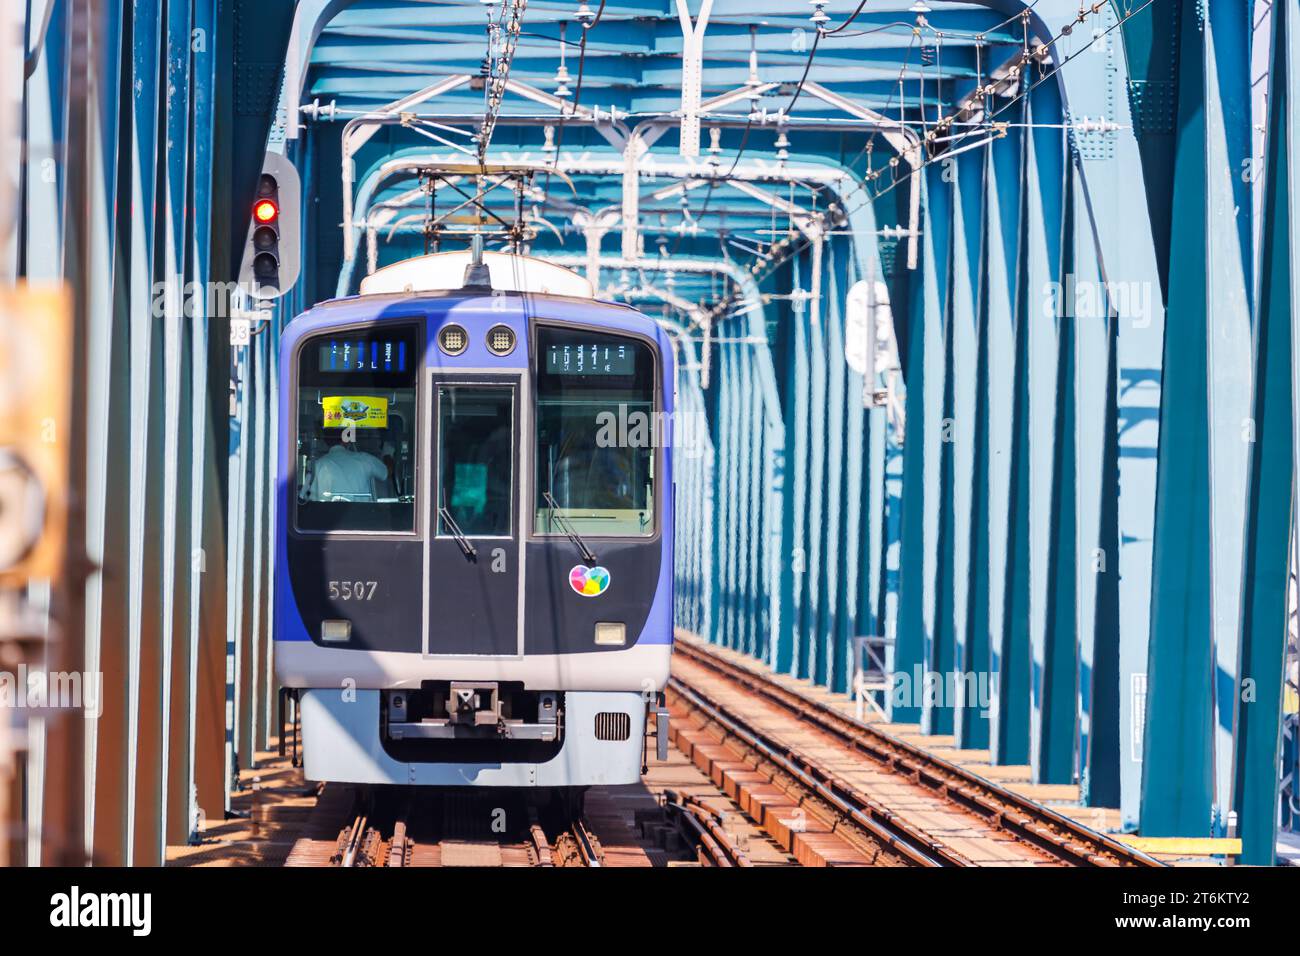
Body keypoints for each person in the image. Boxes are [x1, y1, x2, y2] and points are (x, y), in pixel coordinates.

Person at [309, 430, 390, 501]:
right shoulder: (364, 459)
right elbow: (387, 472)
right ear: (346, 439)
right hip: (362, 516)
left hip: (325, 517)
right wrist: (388, 453)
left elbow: (308, 499)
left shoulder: (317, 465)